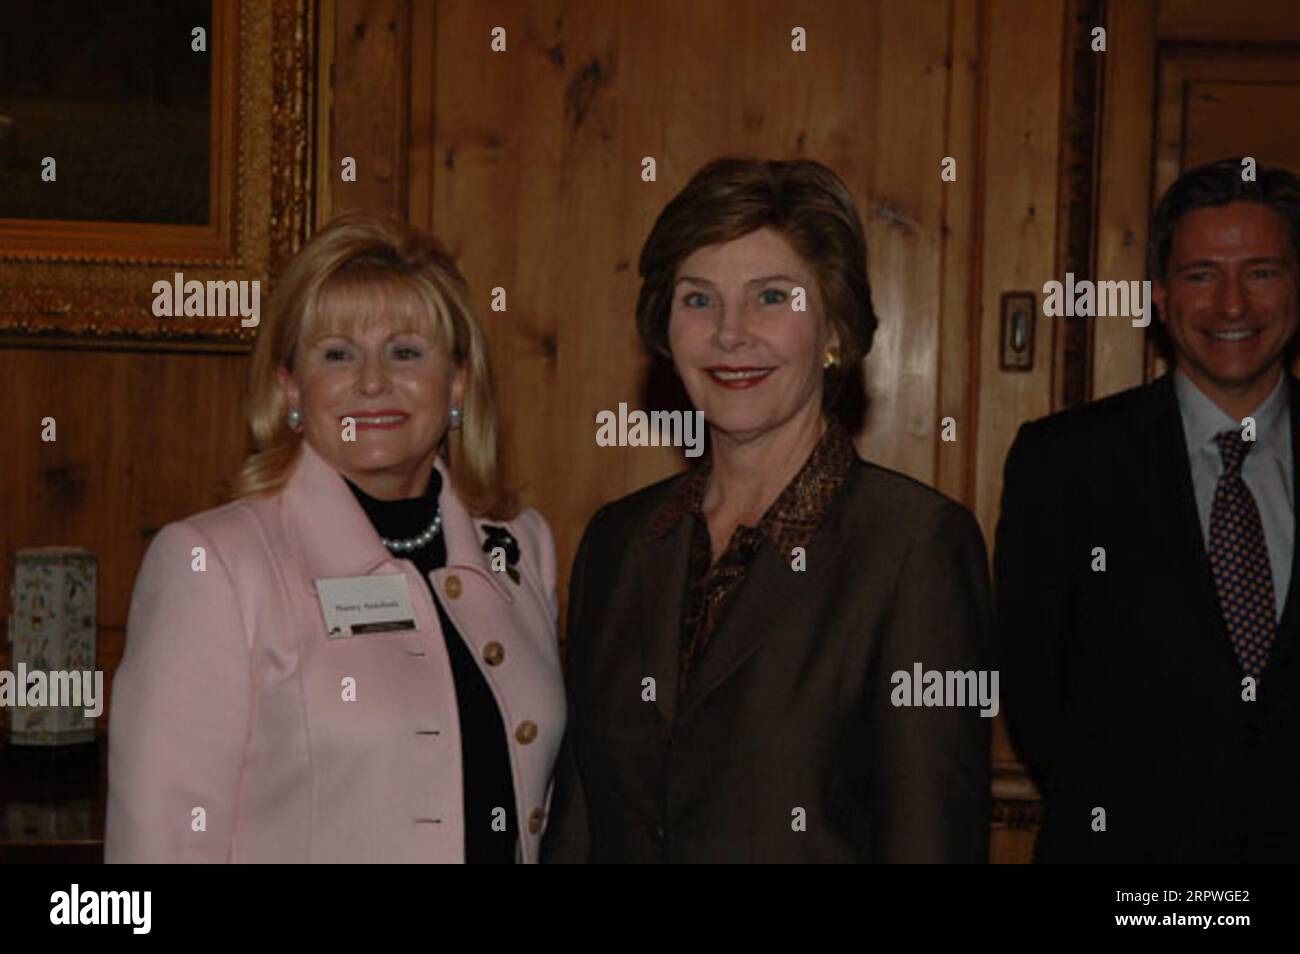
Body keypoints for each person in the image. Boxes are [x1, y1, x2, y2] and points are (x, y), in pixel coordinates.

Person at [542, 157, 993, 863]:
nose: (729, 333)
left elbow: (930, 840)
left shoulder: (915, 548)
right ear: (665, 329)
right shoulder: (620, 540)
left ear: (836, 326)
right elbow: (580, 823)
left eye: (771, 297)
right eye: (698, 300)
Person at [106, 211, 565, 863]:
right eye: (337, 354)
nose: (373, 381)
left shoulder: (521, 545)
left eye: (406, 351)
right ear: (289, 385)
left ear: (457, 382)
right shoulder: (215, 565)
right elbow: (159, 848)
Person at [995, 158, 1300, 862]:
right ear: (1160, 295)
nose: (1231, 305)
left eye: (1261, 272)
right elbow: (1039, 702)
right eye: (1201, 275)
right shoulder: (1063, 465)